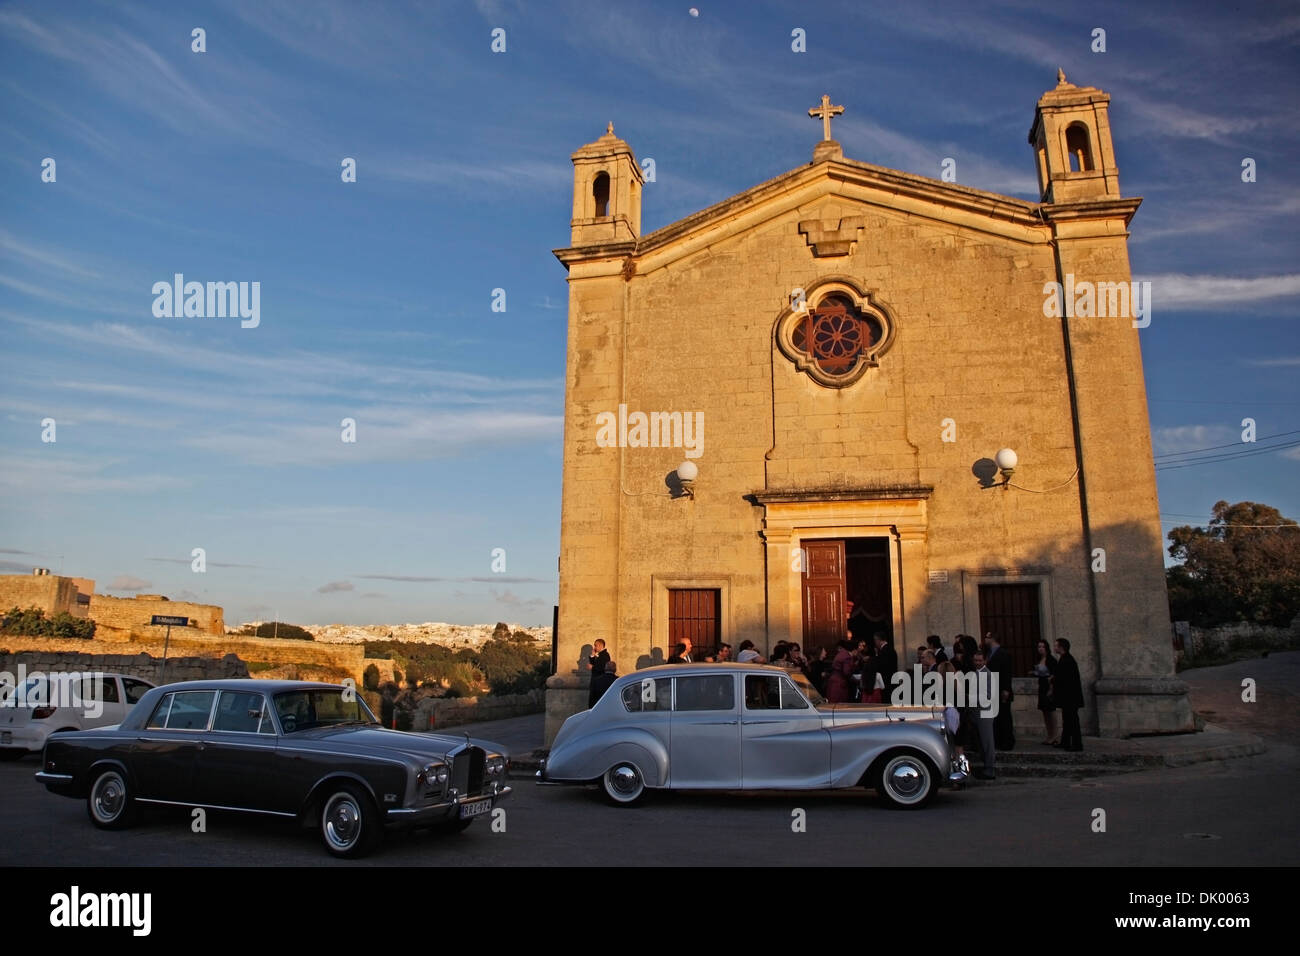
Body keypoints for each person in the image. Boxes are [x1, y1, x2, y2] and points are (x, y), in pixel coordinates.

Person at [984, 633, 1015, 751]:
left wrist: (1006, 689)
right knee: (996, 717)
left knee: (1005, 716)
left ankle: (1008, 741)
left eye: (987, 637)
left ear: (992, 639)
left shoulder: (1003, 653)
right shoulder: (989, 653)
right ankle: (999, 740)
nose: (985, 639)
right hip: (993, 690)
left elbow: (1007, 672)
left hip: (1001, 689)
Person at [1052, 638, 1084, 751]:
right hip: (1068, 697)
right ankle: (1065, 742)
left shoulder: (1067, 661)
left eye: (1056, 646)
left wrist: (1053, 680)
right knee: (1067, 720)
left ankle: (1077, 744)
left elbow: (1065, 680)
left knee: (1073, 721)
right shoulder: (1065, 659)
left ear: (1061, 647)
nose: (1054, 648)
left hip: (1070, 698)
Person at [972, 650, 997, 780]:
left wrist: (968, 698)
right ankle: (986, 767)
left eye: (980, 660)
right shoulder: (975, 673)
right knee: (982, 742)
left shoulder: (987, 674)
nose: (977, 663)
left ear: (985, 661)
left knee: (987, 742)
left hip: (985, 711)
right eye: (975, 660)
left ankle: (989, 769)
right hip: (977, 712)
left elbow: (987, 696)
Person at [1032, 639, 1059, 745]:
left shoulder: (1051, 660)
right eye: (1039, 647)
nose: (1040, 649)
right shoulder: (1039, 659)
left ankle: (1055, 735)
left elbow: (1054, 674)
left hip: (1049, 687)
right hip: (1042, 686)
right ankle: (1049, 735)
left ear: (1046, 648)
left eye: (1042, 647)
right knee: (1045, 711)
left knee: (1051, 711)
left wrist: (1051, 689)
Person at [826, 638, 856, 703]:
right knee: (839, 705)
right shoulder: (847, 656)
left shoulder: (841, 653)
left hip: (833, 681)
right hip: (839, 684)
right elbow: (846, 672)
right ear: (854, 649)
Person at [587, 639, 611, 709]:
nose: (594, 647)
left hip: (599, 684)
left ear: (600, 645)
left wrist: (592, 667)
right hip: (596, 683)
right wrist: (592, 655)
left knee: (595, 704)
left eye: (595, 645)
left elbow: (602, 668)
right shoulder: (600, 655)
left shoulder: (605, 655)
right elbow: (595, 664)